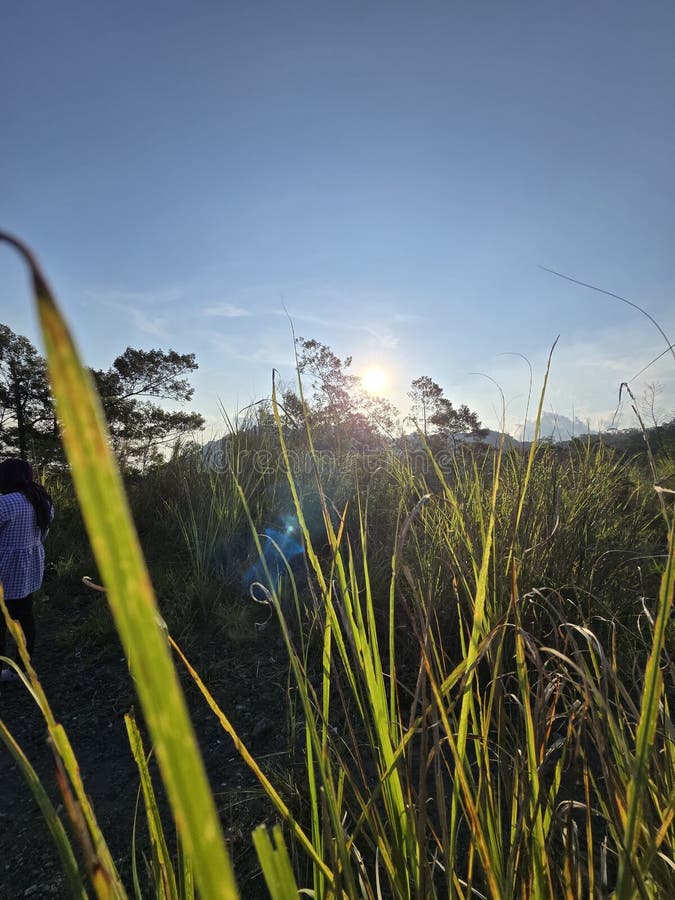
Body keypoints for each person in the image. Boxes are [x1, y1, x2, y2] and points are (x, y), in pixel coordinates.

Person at [0, 458, 53, 682]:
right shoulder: (41, 500)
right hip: (29, 566)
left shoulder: (5, 503)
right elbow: (43, 533)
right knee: (24, 616)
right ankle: (20, 669)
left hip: (5, 568)